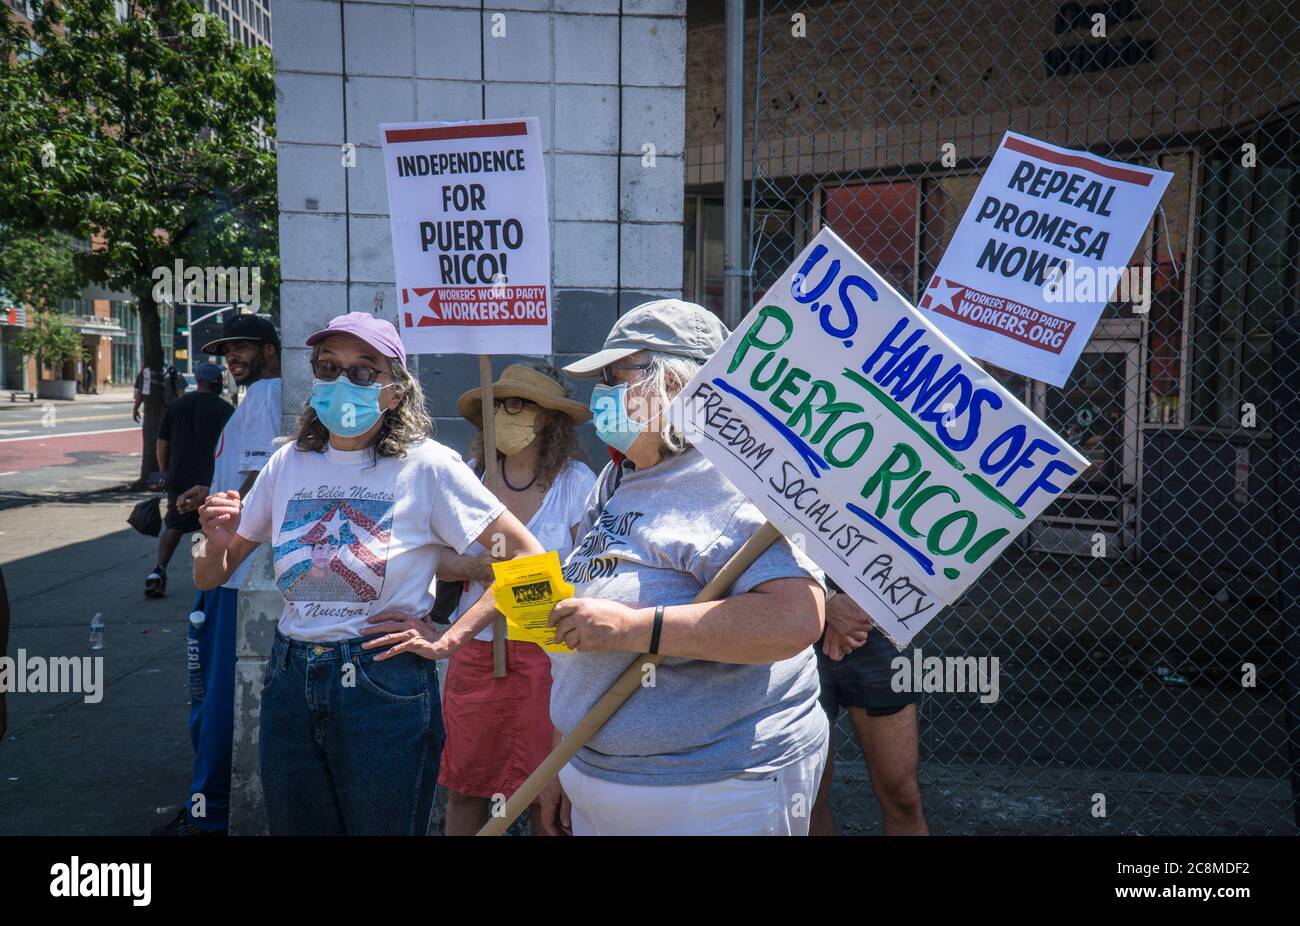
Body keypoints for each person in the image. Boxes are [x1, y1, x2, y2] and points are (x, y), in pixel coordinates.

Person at [192, 312, 546, 836]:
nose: (341, 383)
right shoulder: (287, 463)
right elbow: (211, 575)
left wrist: (451, 636)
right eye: (328, 367)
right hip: (290, 678)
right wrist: (210, 542)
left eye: (363, 372)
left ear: (396, 393)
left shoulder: (428, 467)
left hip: (383, 683)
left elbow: (529, 561)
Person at [536, 299, 829, 837]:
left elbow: (794, 620)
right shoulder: (618, 477)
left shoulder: (743, 482)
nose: (600, 394)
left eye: (614, 377)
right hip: (597, 773)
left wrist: (632, 629)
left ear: (675, 386)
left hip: (716, 788)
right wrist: (563, 757)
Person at [436, 363, 595, 836]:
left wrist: (522, 580)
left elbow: (589, 573)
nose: (508, 414)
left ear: (549, 418)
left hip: (549, 659)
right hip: (476, 653)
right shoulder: (465, 480)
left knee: (547, 792)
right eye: (501, 404)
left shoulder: (577, 484)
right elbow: (429, 561)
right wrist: (474, 568)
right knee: (466, 787)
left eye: (522, 404)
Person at [152, 314, 281, 836]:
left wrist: (225, 505)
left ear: (270, 351)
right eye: (227, 351)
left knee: (216, 699)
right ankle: (206, 807)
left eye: (243, 348)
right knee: (208, 696)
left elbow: (260, 477)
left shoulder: (269, 394)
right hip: (225, 571)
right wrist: (209, 492)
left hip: (235, 571)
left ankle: (210, 814)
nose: (232, 357)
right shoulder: (252, 399)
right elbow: (244, 482)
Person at [809, 578, 929, 836]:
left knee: (903, 796)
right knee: (808, 798)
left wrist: (860, 604)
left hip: (874, 617)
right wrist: (827, 601)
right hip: (796, 620)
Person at [145, 363, 233, 598]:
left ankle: (158, 570)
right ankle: (200, 573)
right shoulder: (224, 409)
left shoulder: (176, 406)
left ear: (198, 380)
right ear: (217, 382)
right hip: (208, 476)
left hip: (178, 475)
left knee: (174, 522)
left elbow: (162, 443)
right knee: (204, 526)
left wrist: (165, 471)